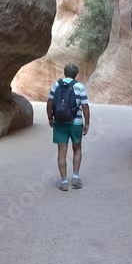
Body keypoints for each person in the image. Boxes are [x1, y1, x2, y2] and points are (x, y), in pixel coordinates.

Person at [47, 63, 90, 191]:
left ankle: (64, 182)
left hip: (59, 122)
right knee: (77, 149)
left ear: (64, 73)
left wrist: (50, 118)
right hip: (76, 123)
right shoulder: (79, 86)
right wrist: (87, 123)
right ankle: (75, 178)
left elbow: (49, 103)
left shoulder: (56, 85)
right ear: (75, 74)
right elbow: (85, 106)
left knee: (61, 152)